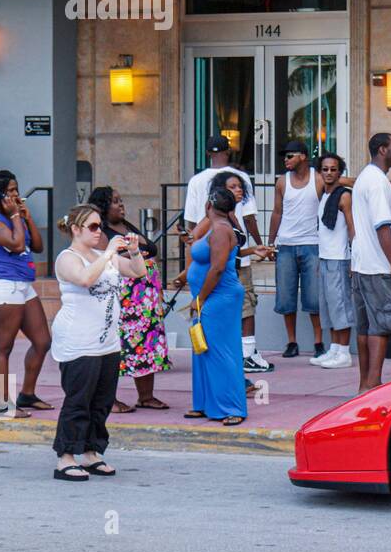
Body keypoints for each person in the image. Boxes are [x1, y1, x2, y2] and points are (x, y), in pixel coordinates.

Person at [50, 204, 146, 481]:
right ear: (75, 229)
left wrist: (134, 250)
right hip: (78, 340)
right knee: (78, 400)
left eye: (100, 226)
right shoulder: (67, 259)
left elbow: (137, 272)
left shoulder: (103, 256)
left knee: (101, 401)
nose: (99, 231)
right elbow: (84, 278)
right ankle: (65, 456)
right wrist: (107, 254)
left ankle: (92, 452)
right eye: (92, 227)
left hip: (107, 340)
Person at [181, 134, 270, 373]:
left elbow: (198, 234)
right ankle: (242, 360)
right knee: (232, 320)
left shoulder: (226, 215)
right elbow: (203, 247)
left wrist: (255, 248)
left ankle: (242, 361)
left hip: (229, 274)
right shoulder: (217, 220)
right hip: (222, 279)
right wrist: (193, 280)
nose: (238, 190)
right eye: (233, 188)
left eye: (239, 188)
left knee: (237, 317)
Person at [88, 187, 171, 413]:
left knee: (146, 344)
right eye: (115, 201)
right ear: (103, 207)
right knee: (119, 347)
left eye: (121, 200)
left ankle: (146, 396)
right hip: (124, 297)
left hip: (146, 297)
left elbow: (149, 251)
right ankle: (109, 399)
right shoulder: (102, 232)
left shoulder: (126, 227)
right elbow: (105, 262)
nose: (121, 204)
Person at [0, 170, 52, 418]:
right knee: (4, 347)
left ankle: (27, 395)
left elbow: (38, 246)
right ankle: (4, 404)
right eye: (10, 191)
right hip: (2, 286)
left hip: (23, 285)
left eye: (16, 189)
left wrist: (26, 218)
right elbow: (17, 244)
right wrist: (16, 216)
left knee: (42, 341)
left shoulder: (15, 216)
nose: (16, 194)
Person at [183, 184, 246, 425]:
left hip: (219, 297)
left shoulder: (220, 230)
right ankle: (205, 404)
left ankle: (232, 407)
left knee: (220, 350)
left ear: (209, 205)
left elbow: (218, 267)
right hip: (209, 296)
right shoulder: (214, 227)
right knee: (202, 348)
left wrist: (200, 298)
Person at [350, 133, 391, 391]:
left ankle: (364, 384)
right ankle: (374, 384)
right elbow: (382, 225)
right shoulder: (377, 182)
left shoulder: (366, 177)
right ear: (383, 150)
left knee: (365, 327)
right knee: (381, 325)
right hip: (377, 265)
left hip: (361, 263)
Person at [268, 140, 323, 358]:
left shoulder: (317, 178)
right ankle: (292, 342)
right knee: (285, 297)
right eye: (285, 156)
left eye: (290, 155)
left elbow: (341, 181)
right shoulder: (282, 181)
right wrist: (271, 242)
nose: (286, 159)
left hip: (312, 244)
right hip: (286, 245)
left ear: (303, 156)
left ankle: (319, 342)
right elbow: (276, 212)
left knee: (314, 297)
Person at [311, 152, 355, 369]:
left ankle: (345, 352)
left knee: (340, 306)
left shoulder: (344, 195)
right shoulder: (324, 195)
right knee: (327, 306)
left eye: (333, 169)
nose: (329, 173)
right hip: (325, 257)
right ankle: (334, 349)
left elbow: (352, 229)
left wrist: (354, 260)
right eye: (325, 169)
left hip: (340, 258)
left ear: (340, 172)